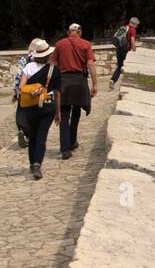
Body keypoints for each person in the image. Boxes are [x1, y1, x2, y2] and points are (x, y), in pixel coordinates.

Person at [53, 22, 97, 159]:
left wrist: (50, 82)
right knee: (76, 112)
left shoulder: (59, 44)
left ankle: (65, 149)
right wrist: (95, 84)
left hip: (64, 81)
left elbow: (53, 64)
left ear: (68, 32)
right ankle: (72, 141)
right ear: (80, 32)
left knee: (64, 114)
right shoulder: (86, 44)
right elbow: (90, 64)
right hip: (79, 81)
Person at [18, 40, 60, 180]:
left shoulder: (29, 67)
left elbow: (21, 87)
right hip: (48, 105)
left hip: (31, 106)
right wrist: (58, 112)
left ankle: (32, 163)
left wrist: (31, 92)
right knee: (42, 136)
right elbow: (57, 92)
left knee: (33, 135)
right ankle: (37, 164)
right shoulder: (53, 69)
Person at [11, 39, 38, 148]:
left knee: (22, 112)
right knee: (35, 113)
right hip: (36, 90)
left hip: (23, 90)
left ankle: (24, 131)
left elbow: (18, 76)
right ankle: (32, 135)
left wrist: (16, 91)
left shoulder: (23, 59)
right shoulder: (41, 60)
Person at [109, 16, 139, 88]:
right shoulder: (132, 30)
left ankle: (113, 80)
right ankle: (114, 80)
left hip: (118, 48)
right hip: (124, 50)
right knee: (122, 66)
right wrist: (134, 48)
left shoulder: (124, 27)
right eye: (137, 25)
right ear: (134, 24)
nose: (137, 26)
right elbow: (132, 40)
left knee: (120, 65)